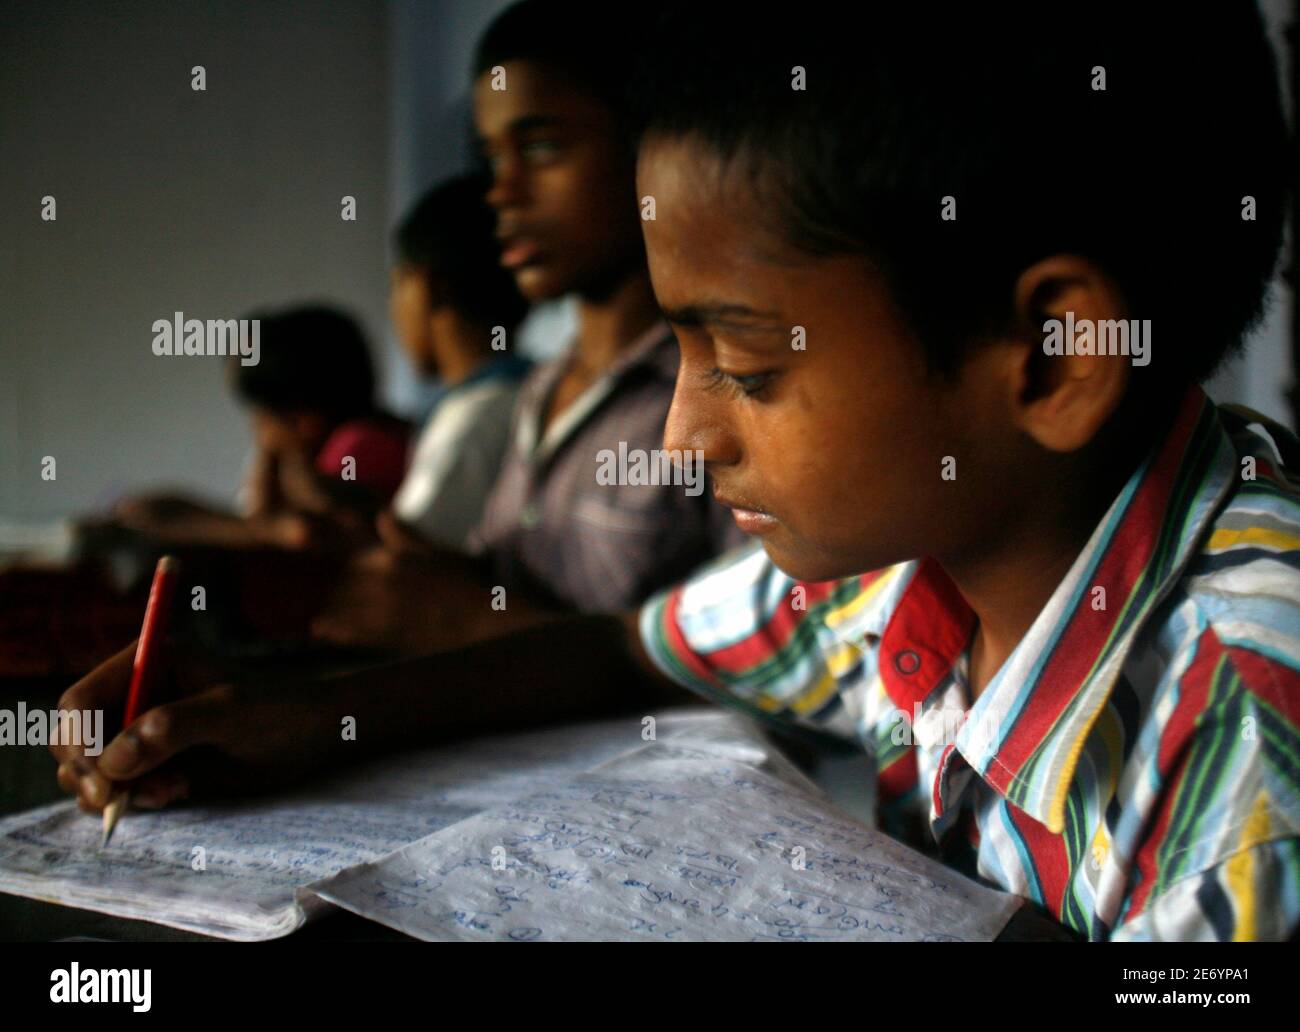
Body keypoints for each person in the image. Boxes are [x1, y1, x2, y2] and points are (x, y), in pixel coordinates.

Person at [54, 5, 1298, 940]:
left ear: (1047, 356)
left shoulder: (1245, 793)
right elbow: (626, 648)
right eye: (679, 347)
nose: (679, 433)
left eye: (745, 364)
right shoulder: (897, 565)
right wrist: (303, 726)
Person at [310, 0, 741, 653]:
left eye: (541, 147)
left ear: (651, 148)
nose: (500, 192)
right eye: (490, 160)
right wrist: (428, 578)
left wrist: (477, 620)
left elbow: (761, 670)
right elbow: (503, 580)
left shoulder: (726, 386)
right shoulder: (541, 389)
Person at [116, 305, 409, 549]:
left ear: (303, 420)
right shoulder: (329, 450)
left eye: (260, 418)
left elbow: (296, 533)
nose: (257, 434)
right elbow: (259, 517)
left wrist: (277, 457)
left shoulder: (361, 445)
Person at [387, 173, 532, 548]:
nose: (394, 310)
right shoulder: (540, 390)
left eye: (397, 285)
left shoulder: (472, 420)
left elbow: (408, 555)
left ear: (429, 287)